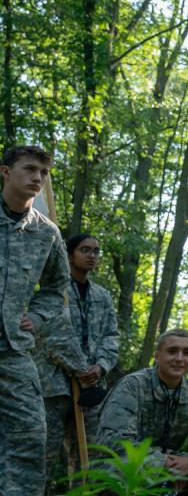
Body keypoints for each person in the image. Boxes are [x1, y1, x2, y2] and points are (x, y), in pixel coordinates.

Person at [0, 145, 75, 493]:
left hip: (13, 350)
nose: (37, 178)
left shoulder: (46, 232)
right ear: (5, 172)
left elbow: (58, 284)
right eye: (30, 169)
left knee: (31, 434)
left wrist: (39, 315)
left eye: (43, 173)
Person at [96, 329, 188, 495]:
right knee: (116, 472)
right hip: (135, 466)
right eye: (172, 351)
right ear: (158, 356)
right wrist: (164, 463)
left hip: (177, 469)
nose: (179, 358)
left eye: (187, 353)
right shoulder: (132, 386)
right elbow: (114, 441)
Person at [36, 232, 120, 492]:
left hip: (91, 389)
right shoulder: (53, 292)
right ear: (70, 254)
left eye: (96, 251)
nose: (92, 255)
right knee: (43, 456)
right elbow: (49, 335)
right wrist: (80, 368)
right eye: (85, 250)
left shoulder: (102, 296)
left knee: (89, 458)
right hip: (54, 386)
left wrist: (102, 366)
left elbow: (111, 335)